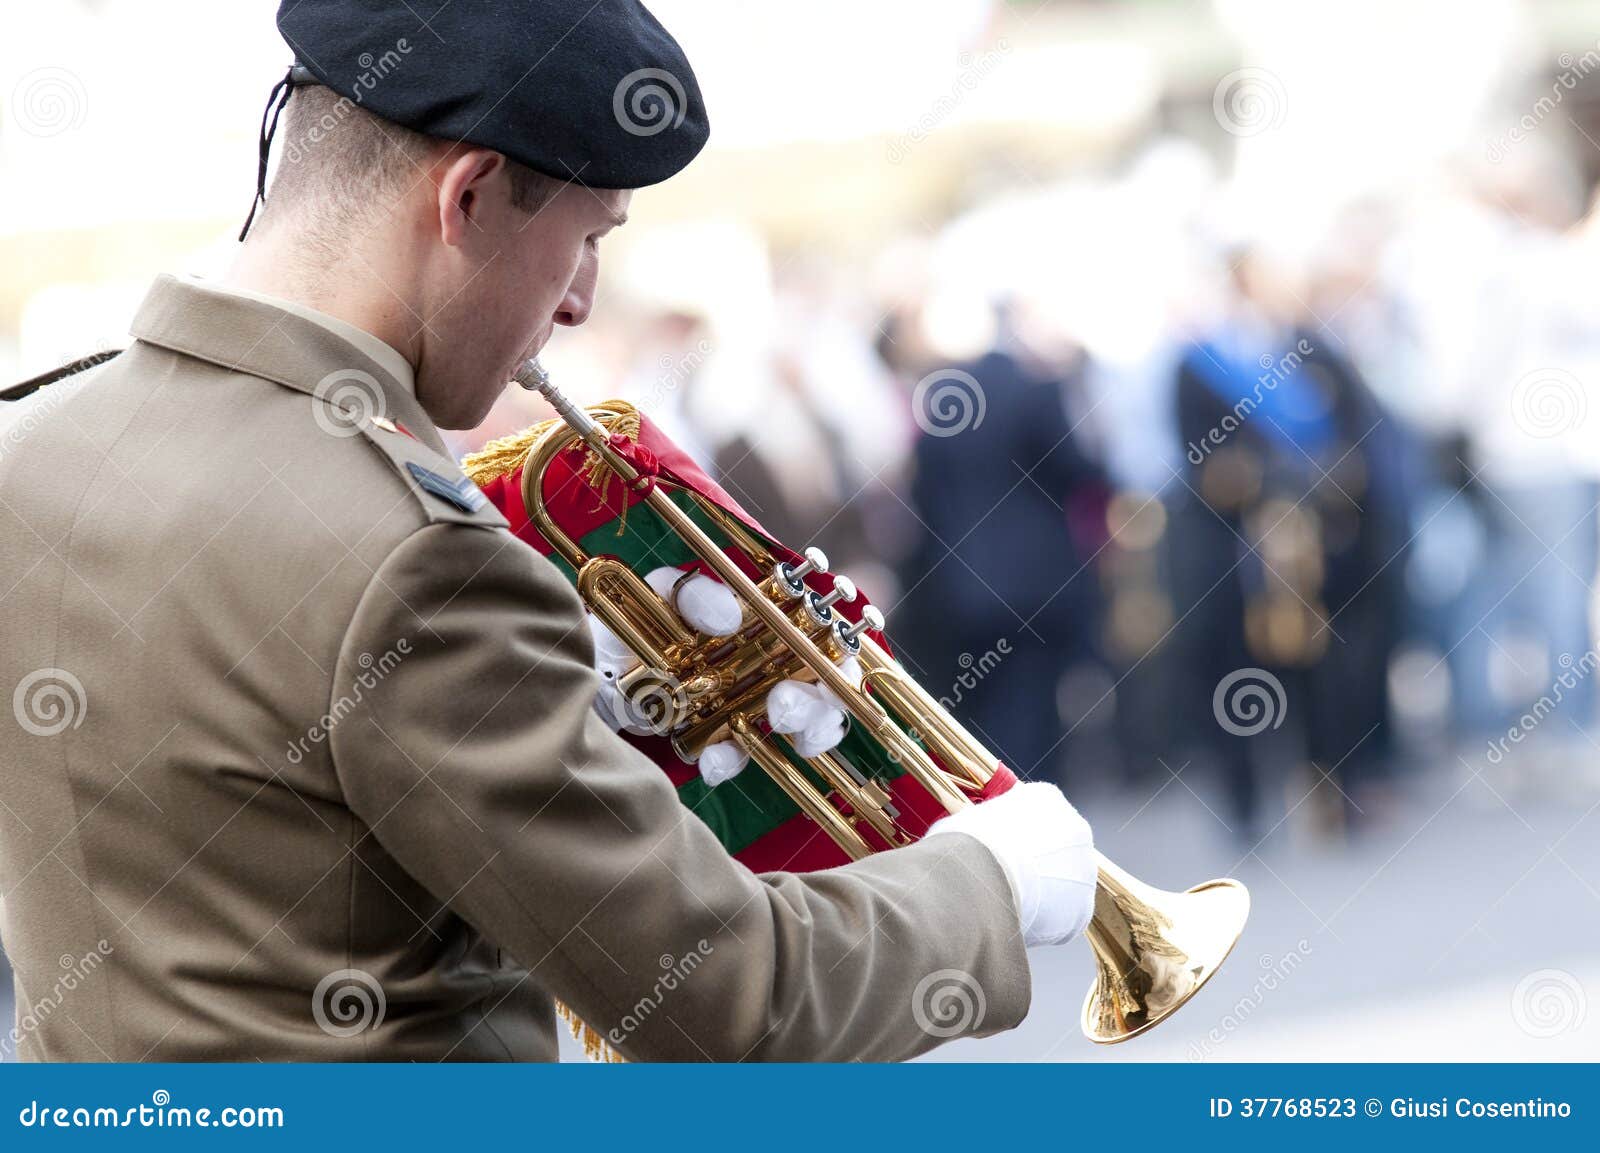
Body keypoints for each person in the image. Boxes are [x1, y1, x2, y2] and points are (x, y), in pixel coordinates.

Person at [0, 0, 1097, 1062]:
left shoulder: (29, 443)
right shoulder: (420, 555)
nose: (579, 301)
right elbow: (725, 997)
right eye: (586, 237)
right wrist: (986, 879)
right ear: (470, 196)